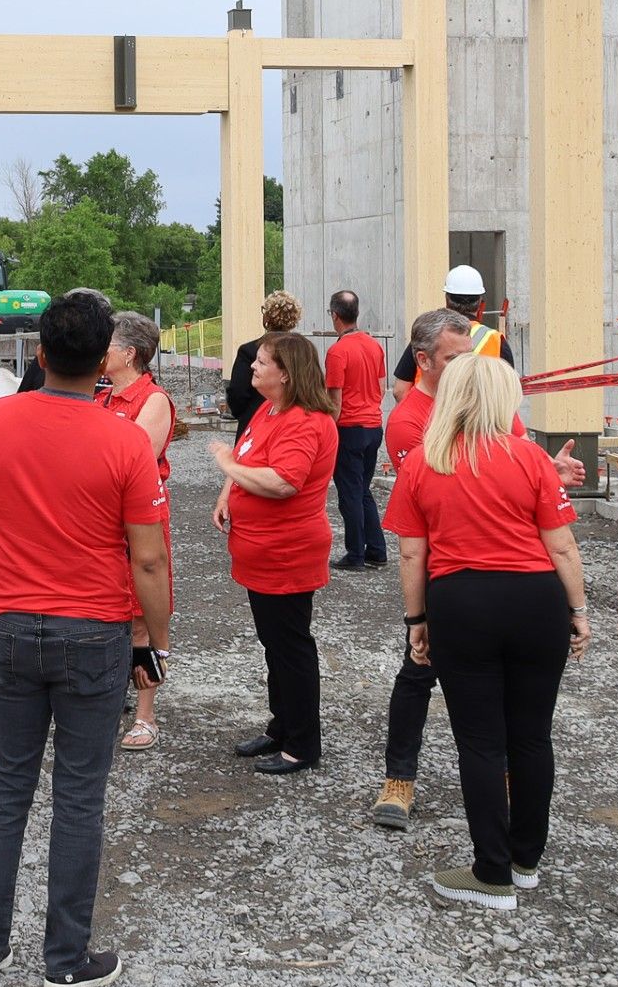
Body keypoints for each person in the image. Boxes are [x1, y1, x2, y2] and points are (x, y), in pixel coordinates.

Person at [0, 290, 170, 987]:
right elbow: (148, 559)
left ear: (39, 354)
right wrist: (152, 638)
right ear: (101, 361)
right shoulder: (125, 438)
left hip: (13, 623)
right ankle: (66, 957)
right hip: (95, 630)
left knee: (4, 788)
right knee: (79, 795)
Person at [384, 353, 589, 911]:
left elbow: (410, 552)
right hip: (536, 601)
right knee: (532, 734)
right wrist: (579, 610)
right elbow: (562, 545)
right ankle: (526, 861)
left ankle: (490, 871)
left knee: (479, 740)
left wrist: (416, 621)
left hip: (463, 602)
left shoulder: (425, 463)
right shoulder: (530, 459)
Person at [211, 333, 339, 775]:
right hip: (260, 551)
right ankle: (281, 725)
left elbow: (285, 481)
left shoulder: (305, 421)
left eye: (262, 363)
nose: (252, 368)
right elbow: (250, 457)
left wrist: (228, 467)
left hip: (287, 552)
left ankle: (303, 743)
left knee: (291, 648)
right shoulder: (269, 409)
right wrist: (228, 492)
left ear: (285, 373)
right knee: (275, 645)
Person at [100, 312, 175, 752]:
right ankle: (112, 700)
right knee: (111, 613)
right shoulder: (105, 397)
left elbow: (136, 458)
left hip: (138, 520)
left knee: (143, 617)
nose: (101, 352)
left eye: (108, 346)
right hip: (106, 520)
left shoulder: (154, 400)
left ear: (130, 354)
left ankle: (147, 714)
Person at [323, 290, 387, 572]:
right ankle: (376, 549)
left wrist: (327, 431)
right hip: (374, 426)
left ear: (335, 315)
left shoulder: (337, 352)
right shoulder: (374, 346)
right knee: (363, 490)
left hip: (349, 427)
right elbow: (381, 386)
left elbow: (334, 399)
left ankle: (355, 554)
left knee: (349, 493)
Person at [389, 265, 512, 400]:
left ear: (447, 301)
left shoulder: (427, 334)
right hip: (479, 420)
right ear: (480, 305)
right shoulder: (497, 341)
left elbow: (400, 390)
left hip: (430, 419)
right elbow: (507, 395)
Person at [226, 291, 303, 438]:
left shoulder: (248, 351)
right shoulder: (302, 352)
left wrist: (245, 415)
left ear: (267, 316)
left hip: (255, 424)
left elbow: (237, 392)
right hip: (293, 425)